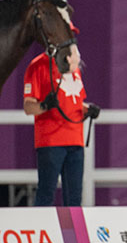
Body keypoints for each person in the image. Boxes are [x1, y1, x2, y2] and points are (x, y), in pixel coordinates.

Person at [23, 43, 100, 206]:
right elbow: (28, 106)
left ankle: (71, 232)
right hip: (52, 141)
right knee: (46, 193)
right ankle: (43, 230)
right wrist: (44, 105)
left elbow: (74, 103)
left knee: (74, 197)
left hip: (75, 140)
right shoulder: (38, 66)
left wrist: (88, 110)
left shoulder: (74, 70)